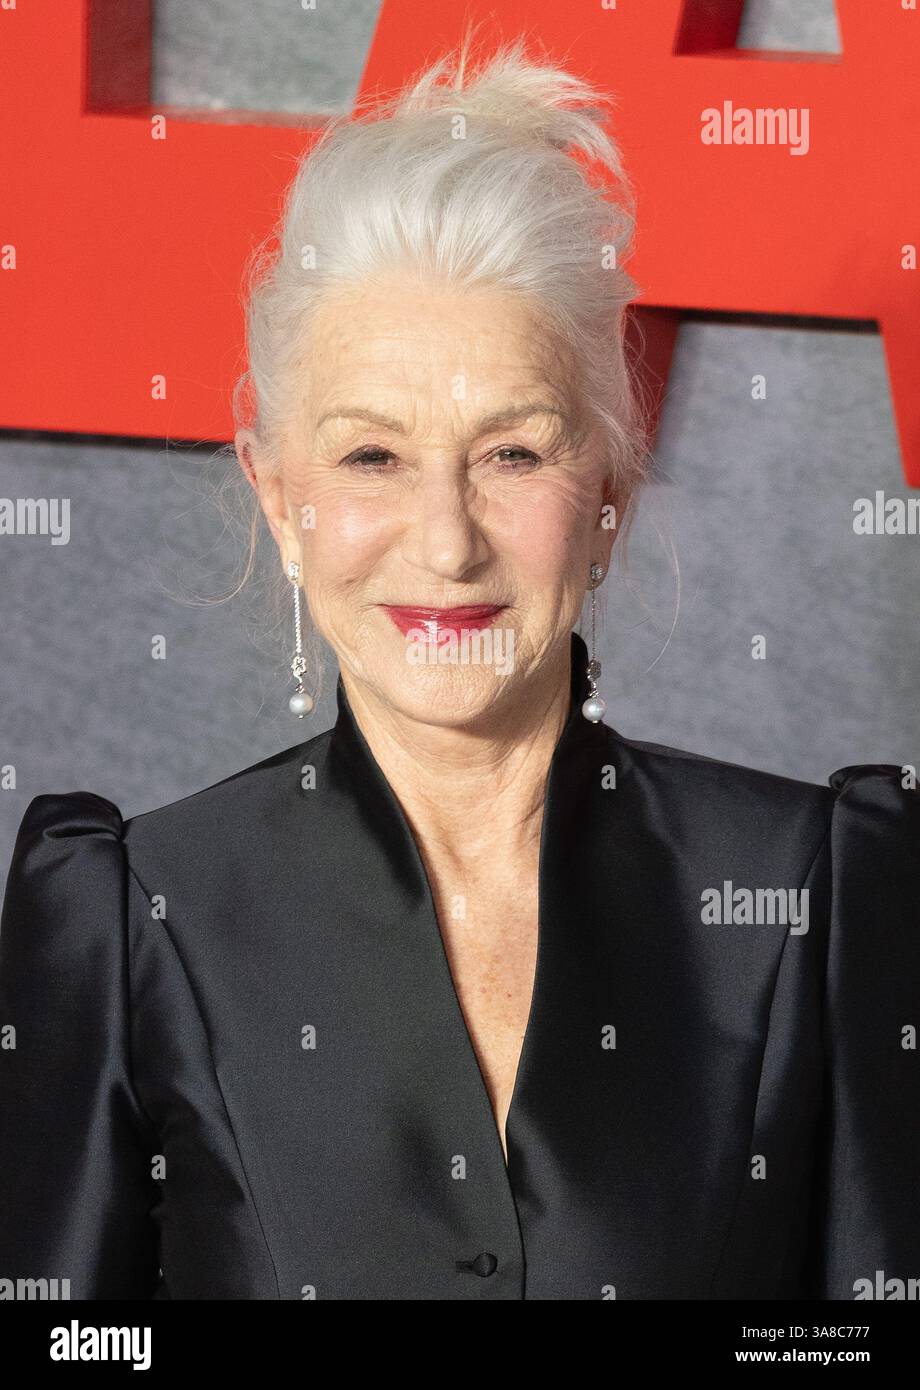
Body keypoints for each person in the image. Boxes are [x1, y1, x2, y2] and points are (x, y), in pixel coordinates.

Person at [1, 36, 918, 1302]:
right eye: (370, 456)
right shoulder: (127, 914)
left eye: (511, 455)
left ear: (606, 494)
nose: (443, 540)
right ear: (279, 498)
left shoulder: (818, 895)